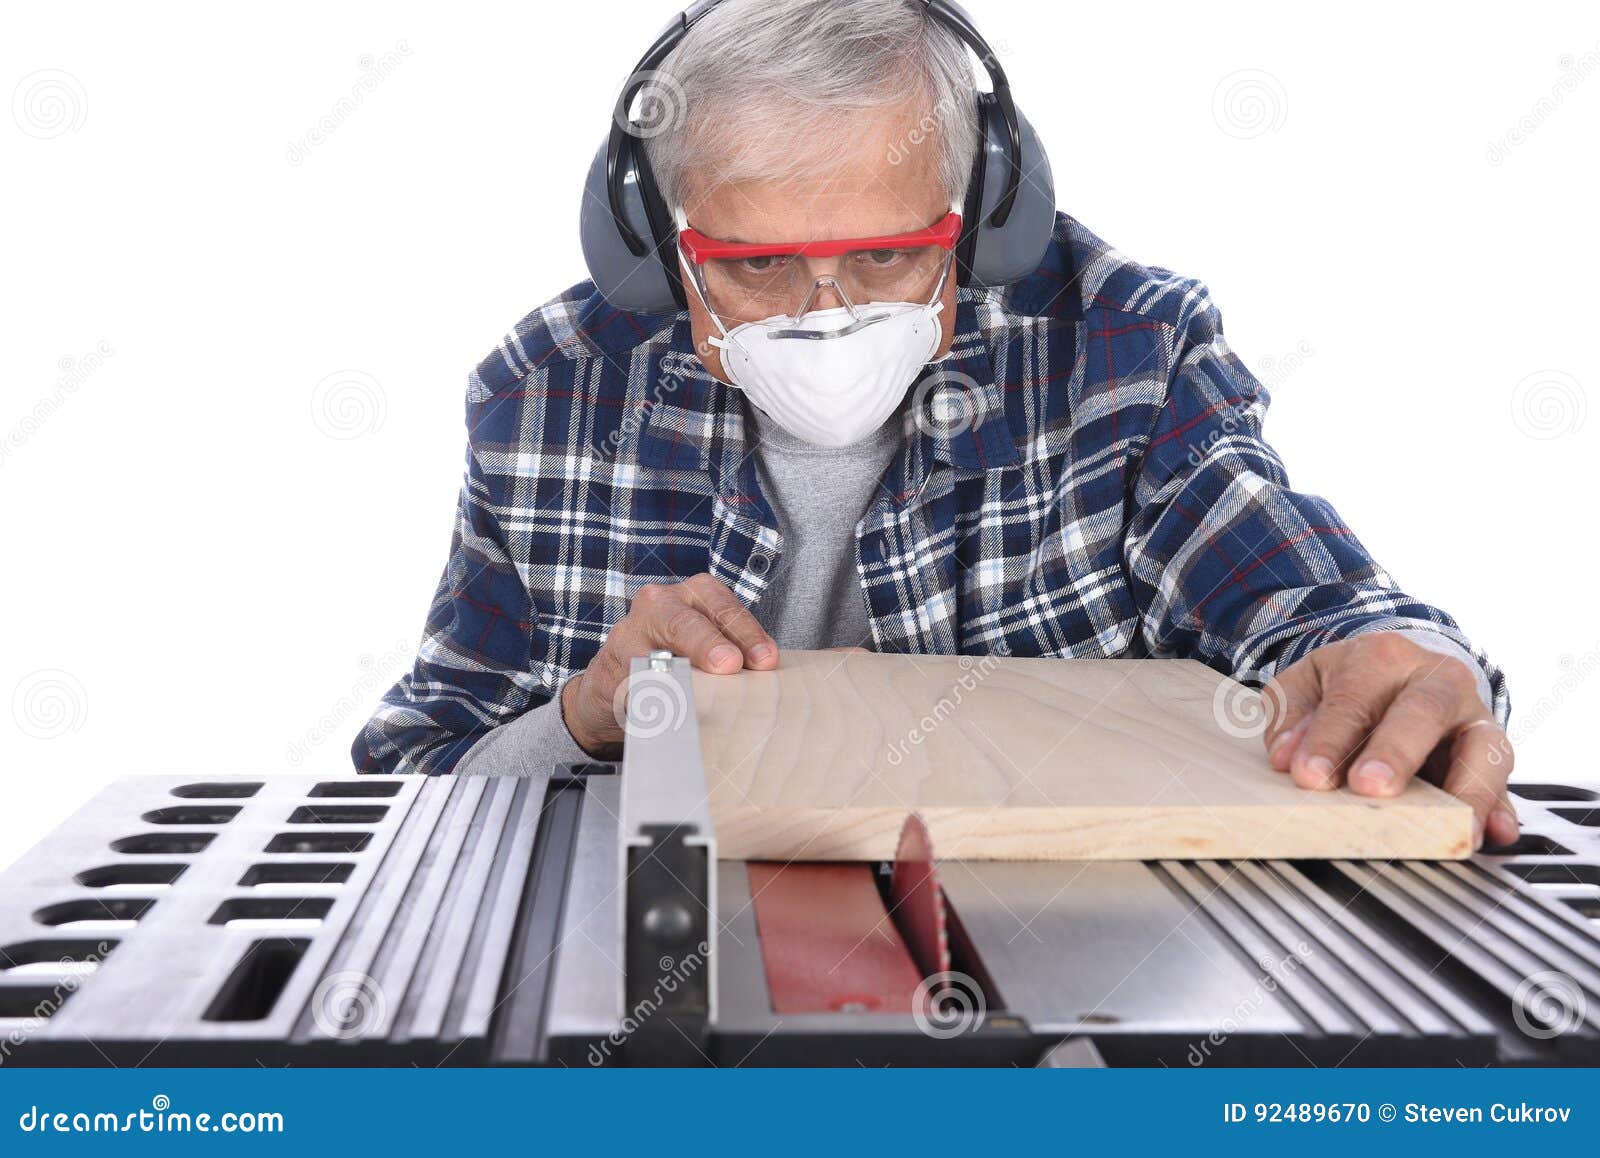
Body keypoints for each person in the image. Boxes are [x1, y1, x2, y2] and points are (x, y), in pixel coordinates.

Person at [353, 0, 1517, 848]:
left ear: (976, 233)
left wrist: (1411, 671)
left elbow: (1317, 614)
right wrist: (585, 714)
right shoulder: (542, 394)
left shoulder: (1126, 348)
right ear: (661, 257)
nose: (829, 310)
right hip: (673, 965)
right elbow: (412, 789)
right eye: (758, 269)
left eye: (889, 253)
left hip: (1079, 974)